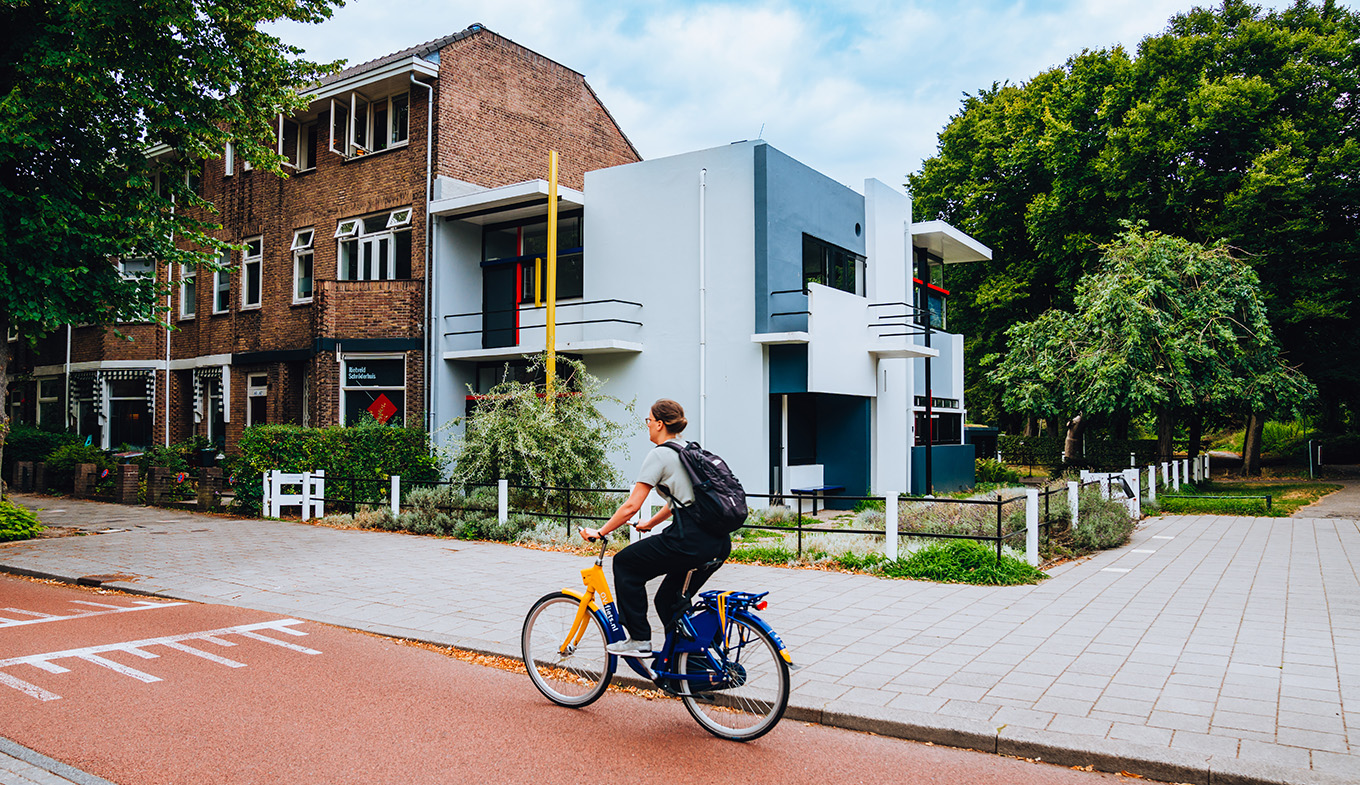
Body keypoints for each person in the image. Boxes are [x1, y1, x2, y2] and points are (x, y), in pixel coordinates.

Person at [579, 398, 731, 657]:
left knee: (626, 564)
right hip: (717, 541)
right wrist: (650, 523)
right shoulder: (690, 450)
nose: (647, 425)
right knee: (668, 602)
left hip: (689, 540)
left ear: (659, 424)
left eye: (648, 420)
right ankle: (693, 666)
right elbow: (679, 502)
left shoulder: (660, 454)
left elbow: (631, 505)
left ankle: (638, 639)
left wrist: (601, 532)